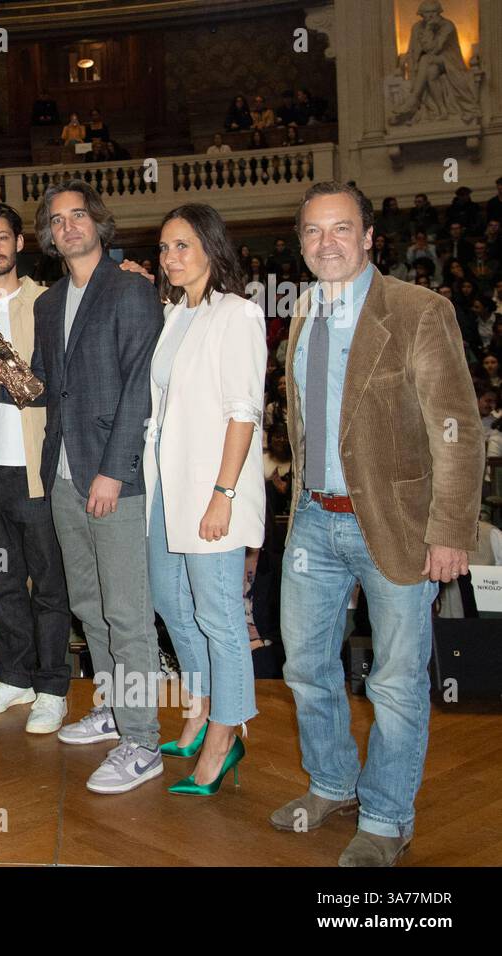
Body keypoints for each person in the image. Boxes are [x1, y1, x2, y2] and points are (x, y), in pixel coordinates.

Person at [273, 182, 484, 866]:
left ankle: (388, 820)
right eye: (313, 231)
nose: (326, 242)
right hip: (313, 522)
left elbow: (456, 429)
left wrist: (451, 530)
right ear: (301, 243)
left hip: (395, 526)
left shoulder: (419, 310)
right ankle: (333, 783)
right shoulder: (303, 312)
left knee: (393, 681)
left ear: (369, 237)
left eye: (341, 229)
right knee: (306, 666)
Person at [25, 180, 164, 793]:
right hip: (62, 476)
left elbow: (139, 388)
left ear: (98, 223)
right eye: (57, 220)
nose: (69, 226)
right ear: (49, 236)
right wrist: (6, 375)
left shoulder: (132, 289)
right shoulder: (48, 304)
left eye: (79, 215)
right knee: (89, 607)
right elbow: (47, 390)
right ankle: (112, 709)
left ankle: (142, 741)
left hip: (113, 479)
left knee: (128, 615)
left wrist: (114, 469)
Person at [143, 203, 267, 795]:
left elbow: (244, 414)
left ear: (212, 249)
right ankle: (199, 706)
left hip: (212, 488)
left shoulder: (237, 315)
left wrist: (223, 495)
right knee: (169, 599)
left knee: (219, 617)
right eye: (165, 247)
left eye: (183, 245)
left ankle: (225, 736)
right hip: (168, 485)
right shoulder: (175, 316)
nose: (171, 257)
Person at [0, 204, 70, 733]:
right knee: (2, 582)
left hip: (36, 468)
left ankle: (53, 687)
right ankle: (15, 676)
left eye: (2, 238)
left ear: (19, 243)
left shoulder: (48, 303)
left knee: (49, 585)